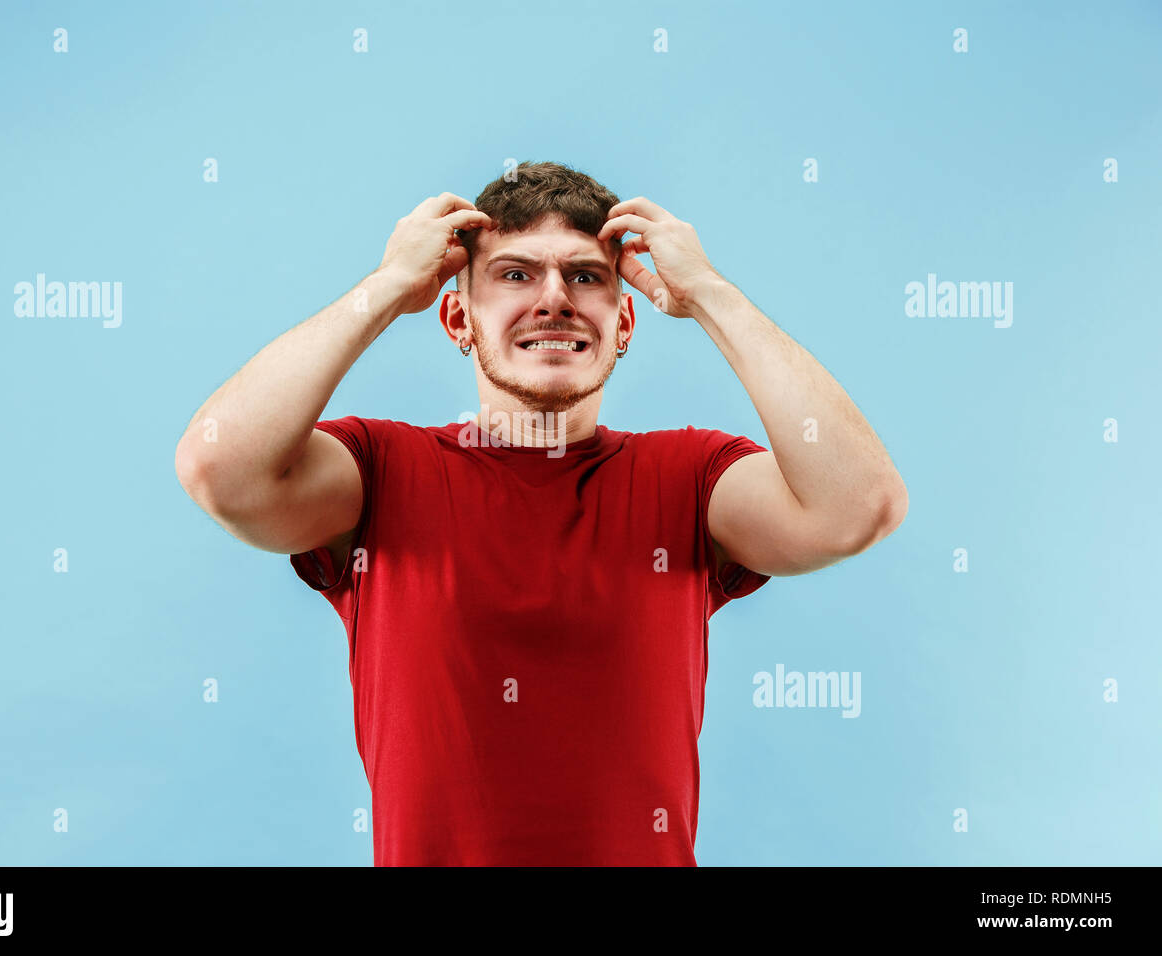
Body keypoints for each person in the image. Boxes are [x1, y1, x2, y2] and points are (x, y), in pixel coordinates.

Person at [174, 161, 908, 866]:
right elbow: (220, 469)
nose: (553, 298)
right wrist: (387, 284)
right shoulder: (380, 472)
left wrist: (712, 293)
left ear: (625, 324)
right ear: (456, 317)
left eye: (585, 277)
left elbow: (858, 508)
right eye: (515, 274)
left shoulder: (689, 479)